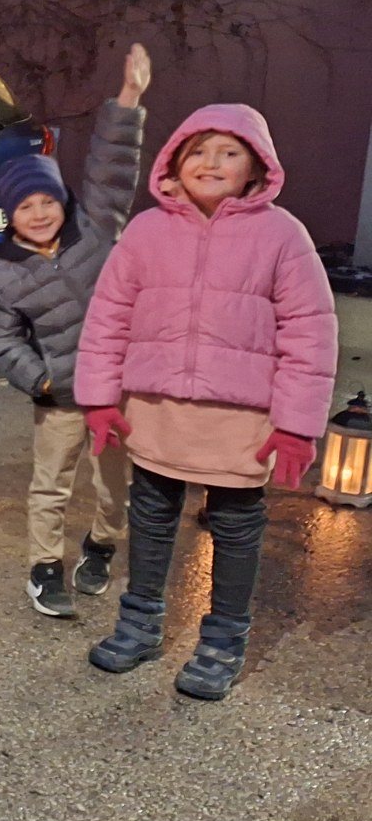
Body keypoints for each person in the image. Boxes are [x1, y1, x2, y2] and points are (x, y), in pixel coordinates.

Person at [76, 103, 336, 700]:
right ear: (174, 161)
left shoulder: (281, 236)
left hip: (240, 418)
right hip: (158, 410)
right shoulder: (146, 231)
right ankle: (139, 622)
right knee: (151, 514)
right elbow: (108, 317)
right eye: (198, 150)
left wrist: (296, 424)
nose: (211, 162)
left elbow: (310, 330)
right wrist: (99, 398)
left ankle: (222, 639)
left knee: (238, 526)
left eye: (229, 152)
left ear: (256, 168)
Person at [0, 47, 150, 618]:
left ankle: (100, 547)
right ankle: (44, 567)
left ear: (62, 199)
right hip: (61, 398)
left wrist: (127, 102)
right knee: (50, 485)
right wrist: (43, 381)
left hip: (118, 390)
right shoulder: (4, 274)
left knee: (115, 490)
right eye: (25, 205)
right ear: (11, 214)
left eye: (47, 199)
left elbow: (113, 169)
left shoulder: (96, 230)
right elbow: (1, 339)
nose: (39, 212)